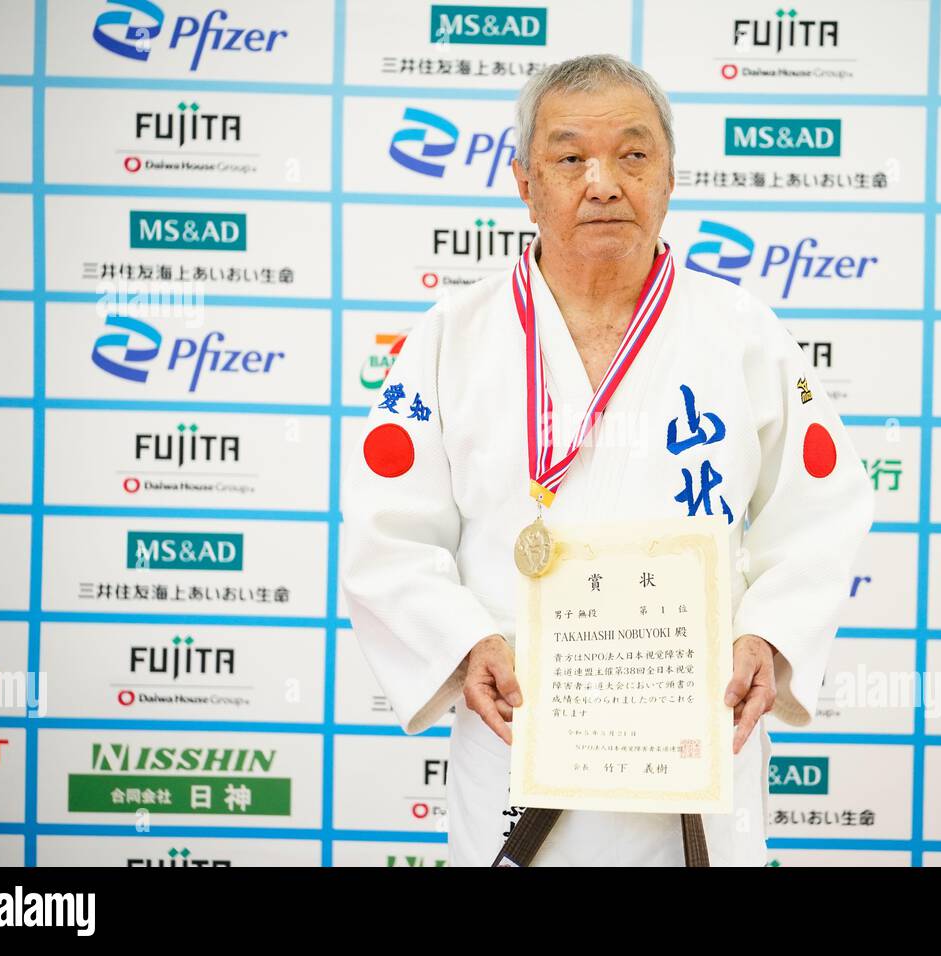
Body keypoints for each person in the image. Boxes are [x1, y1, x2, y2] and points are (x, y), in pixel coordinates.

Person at [339, 53, 874, 866]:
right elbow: (386, 529)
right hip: (521, 729)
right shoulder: (455, 335)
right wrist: (462, 645)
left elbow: (821, 514)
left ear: (669, 175)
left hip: (695, 736)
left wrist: (766, 637)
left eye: (633, 154)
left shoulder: (742, 333)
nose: (603, 182)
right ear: (524, 182)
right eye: (569, 157)